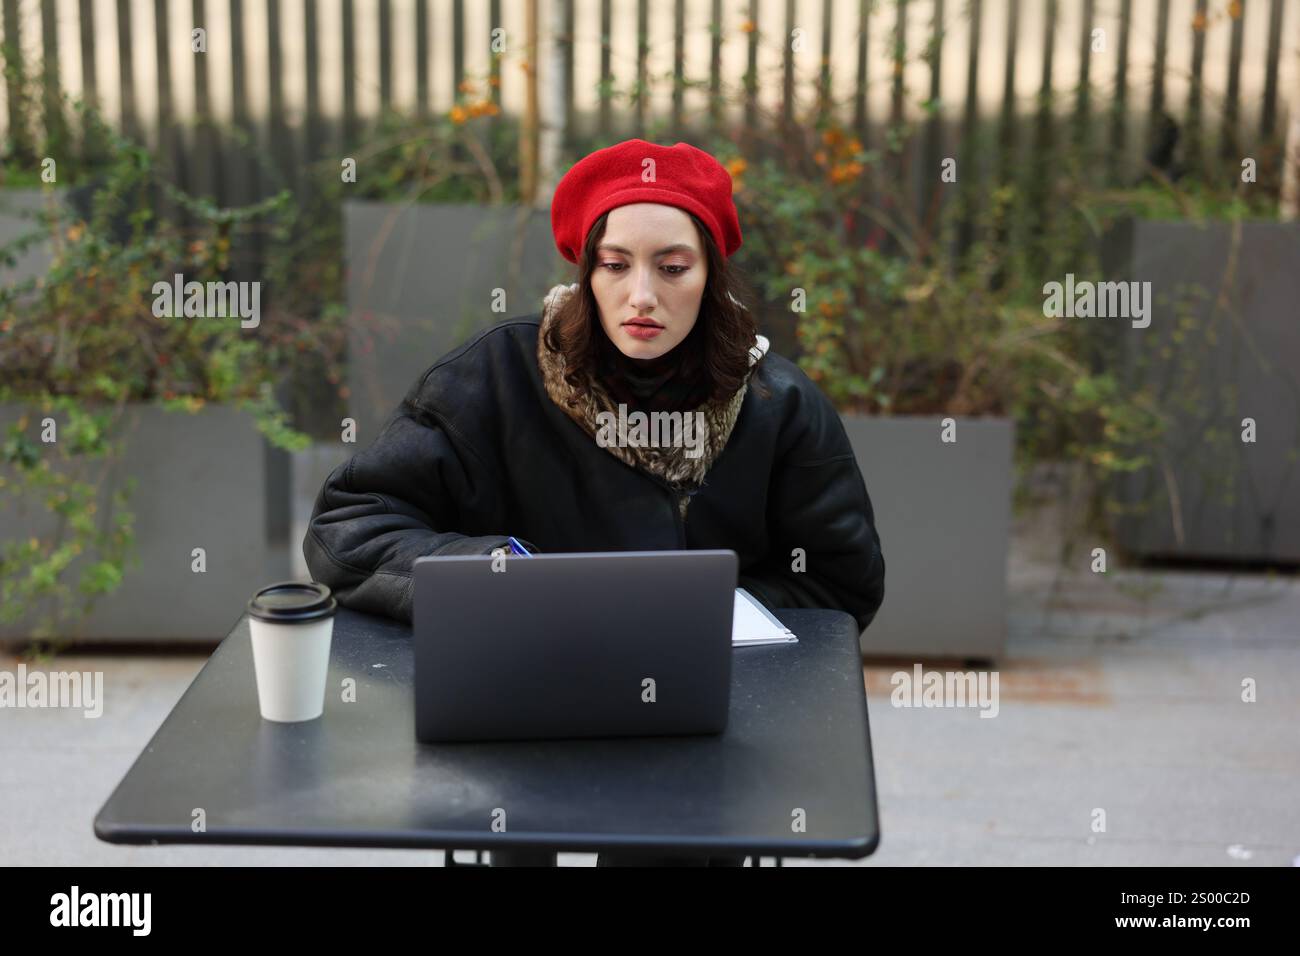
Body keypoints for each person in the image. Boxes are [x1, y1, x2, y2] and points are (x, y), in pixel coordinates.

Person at [303, 138, 886, 867]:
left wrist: (701, 617)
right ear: (587, 271)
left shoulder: (780, 405)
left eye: (672, 267)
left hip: (701, 726)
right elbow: (347, 527)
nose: (641, 295)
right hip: (515, 713)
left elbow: (841, 581)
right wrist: (487, 569)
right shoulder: (495, 378)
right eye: (615, 265)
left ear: (710, 274)